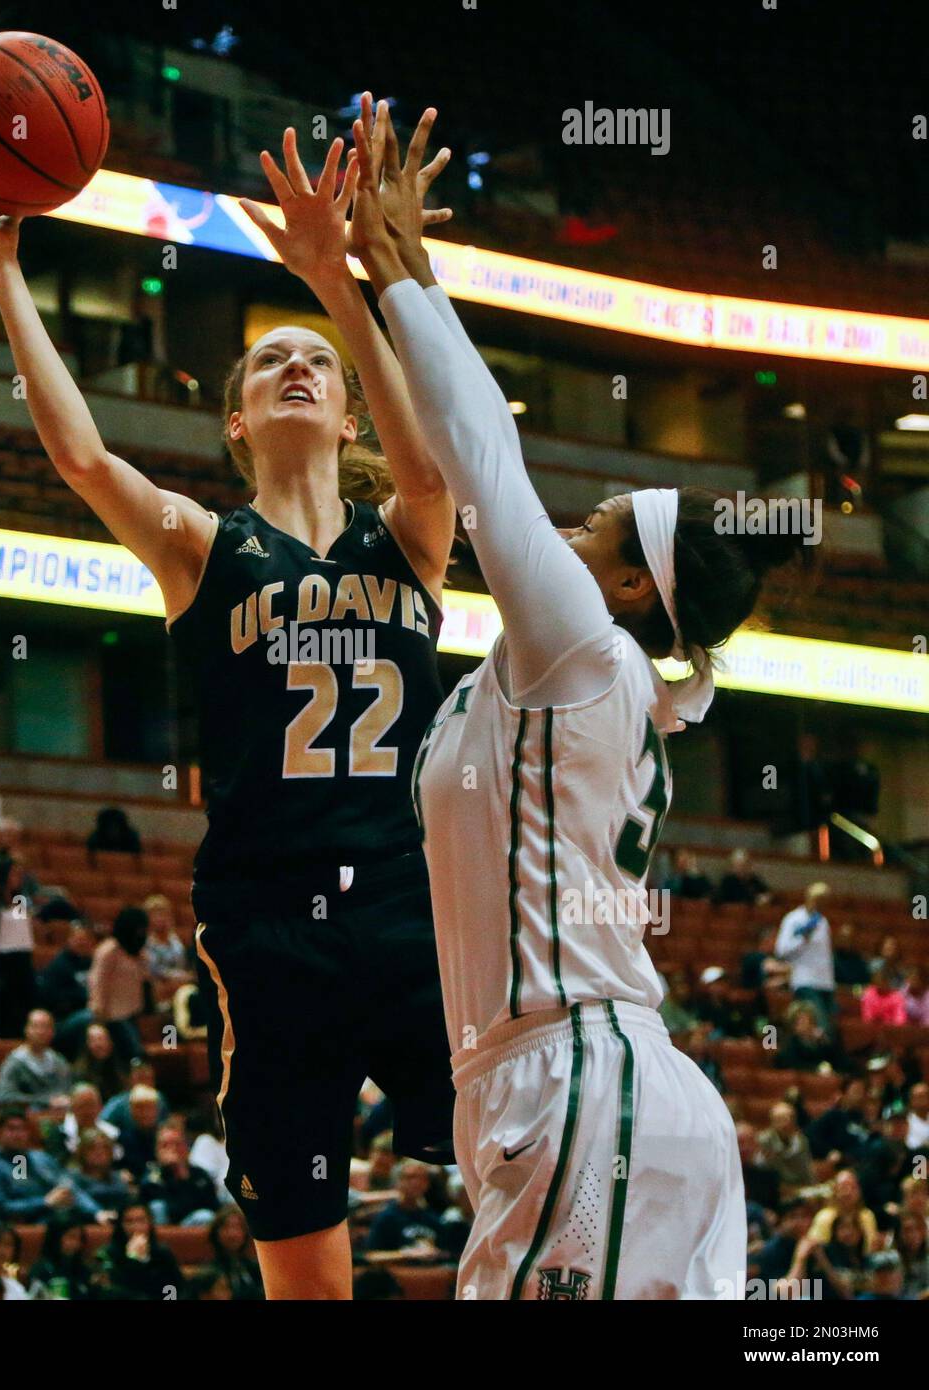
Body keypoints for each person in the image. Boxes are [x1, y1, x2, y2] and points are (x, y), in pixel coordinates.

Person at [0, 108, 458, 1301]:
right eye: (271, 360)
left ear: (351, 407)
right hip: (268, 926)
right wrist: (3, 263)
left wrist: (340, 284)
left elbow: (431, 469)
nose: (299, 365)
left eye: (315, 355)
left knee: (529, 1189)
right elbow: (81, 457)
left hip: (419, 917)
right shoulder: (206, 549)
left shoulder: (410, 534)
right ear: (236, 420)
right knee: (306, 1273)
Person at [348, 94, 803, 1300]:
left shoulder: (587, 654)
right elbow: (441, 471)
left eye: (593, 527)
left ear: (633, 590)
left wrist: (401, 269)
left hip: (578, 1079)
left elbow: (481, 456)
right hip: (575, 1083)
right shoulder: (538, 681)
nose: (565, 526)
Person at [0, 1110, 102, 1226]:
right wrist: (44, 1203)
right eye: (12, 1129)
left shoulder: (41, 1158)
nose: (18, 1135)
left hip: (53, 1221)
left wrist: (96, 1212)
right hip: (16, 1226)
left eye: (22, 1129)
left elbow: (69, 1187)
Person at [0, 853, 37, 1038]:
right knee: (6, 1013)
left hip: (22, 961)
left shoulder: (19, 900)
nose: (18, 877)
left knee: (23, 1012)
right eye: (14, 874)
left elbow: (21, 930)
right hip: (2, 963)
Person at [88, 907, 148, 1065]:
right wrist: (98, 1012)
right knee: (135, 1054)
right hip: (111, 1015)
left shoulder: (139, 953)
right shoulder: (109, 951)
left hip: (133, 1013)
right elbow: (97, 981)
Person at [92, 1202, 184, 1301]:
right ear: (120, 1225)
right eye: (129, 1221)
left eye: (141, 1220)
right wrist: (133, 1258)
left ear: (150, 1223)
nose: (136, 1226)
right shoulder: (107, 1253)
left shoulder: (162, 1252)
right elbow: (115, 1290)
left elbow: (174, 1286)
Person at [775, 882, 835, 1028]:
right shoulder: (793, 919)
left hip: (825, 982)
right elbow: (781, 950)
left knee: (829, 1028)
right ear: (810, 898)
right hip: (805, 981)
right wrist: (802, 939)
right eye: (819, 900)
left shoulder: (823, 921)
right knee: (820, 1026)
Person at [140, 1125, 222, 1227]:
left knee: (206, 1216)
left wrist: (183, 1175)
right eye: (165, 1145)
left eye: (177, 1144)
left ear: (187, 1147)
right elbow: (170, 1209)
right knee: (157, 1207)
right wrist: (174, 1174)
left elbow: (214, 1207)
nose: (173, 1149)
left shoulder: (200, 1174)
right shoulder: (153, 1175)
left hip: (196, 1226)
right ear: (157, 1151)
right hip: (166, 1228)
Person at [0, 1009, 72, 1111]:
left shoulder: (59, 1062)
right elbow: (5, 1097)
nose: (40, 1032)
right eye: (35, 1027)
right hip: (27, 1117)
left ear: (52, 1032)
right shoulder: (14, 1063)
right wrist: (46, 1102)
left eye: (45, 1027)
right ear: (26, 1030)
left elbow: (67, 1091)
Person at [201, 1206, 264, 1300]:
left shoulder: (255, 1268)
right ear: (216, 1232)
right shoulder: (209, 1272)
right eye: (226, 1227)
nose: (232, 1234)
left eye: (237, 1227)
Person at [28, 1215, 94, 1299]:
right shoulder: (42, 1269)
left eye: (80, 1239)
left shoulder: (81, 1268)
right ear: (55, 1238)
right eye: (71, 1237)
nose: (76, 1243)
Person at [758, 1102, 816, 1197]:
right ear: (772, 1122)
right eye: (780, 1120)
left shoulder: (801, 1140)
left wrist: (813, 1188)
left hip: (800, 1187)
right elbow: (764, 1173)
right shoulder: (764, 1141)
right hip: (776, 1191)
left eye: (789, 1119)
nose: (785, 1124)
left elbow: (807, 1168)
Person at [72, 1021, 129, 1102]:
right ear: (87, 1044)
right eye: (93, 1040)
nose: (98, 1044)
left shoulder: (120, 1070)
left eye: (102, 1039)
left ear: (110, 1043)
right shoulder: (79, 1073)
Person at [832, 922, 871, 988]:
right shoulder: (829, 958)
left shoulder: (859, 963)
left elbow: (863, 986)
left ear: (853, 940)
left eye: (847, 938)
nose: (843, 940)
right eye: (842, 936)